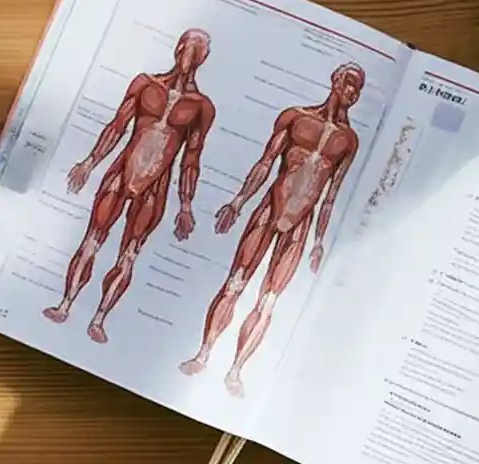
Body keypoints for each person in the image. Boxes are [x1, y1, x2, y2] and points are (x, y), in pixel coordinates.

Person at [179, 62, 365, 396]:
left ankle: (235, 371)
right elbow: (265, 163)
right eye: (349, 83)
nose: (352, 93)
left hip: (301, 223)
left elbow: (330, 195)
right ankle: (204, 354)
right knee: (235, 283)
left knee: (268, 300)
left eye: (358, 88)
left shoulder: (348, 140)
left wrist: (319, 241)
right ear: (335, 80)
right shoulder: (295, 117)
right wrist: (238, 202)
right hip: (269, 209)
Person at [43, 29, 217, 344]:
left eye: (197, 50)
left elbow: (191, 158)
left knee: (129, 254)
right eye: (187, 46)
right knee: (92, 240)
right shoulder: (145, 84)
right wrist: (89, 162)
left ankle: (98, 319)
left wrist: (186, 206)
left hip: (156, 185)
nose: (189, 54)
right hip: (122, 171)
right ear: (177, 48)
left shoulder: (202, 106)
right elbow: (117, 126)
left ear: (204, 58)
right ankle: (66, 304)